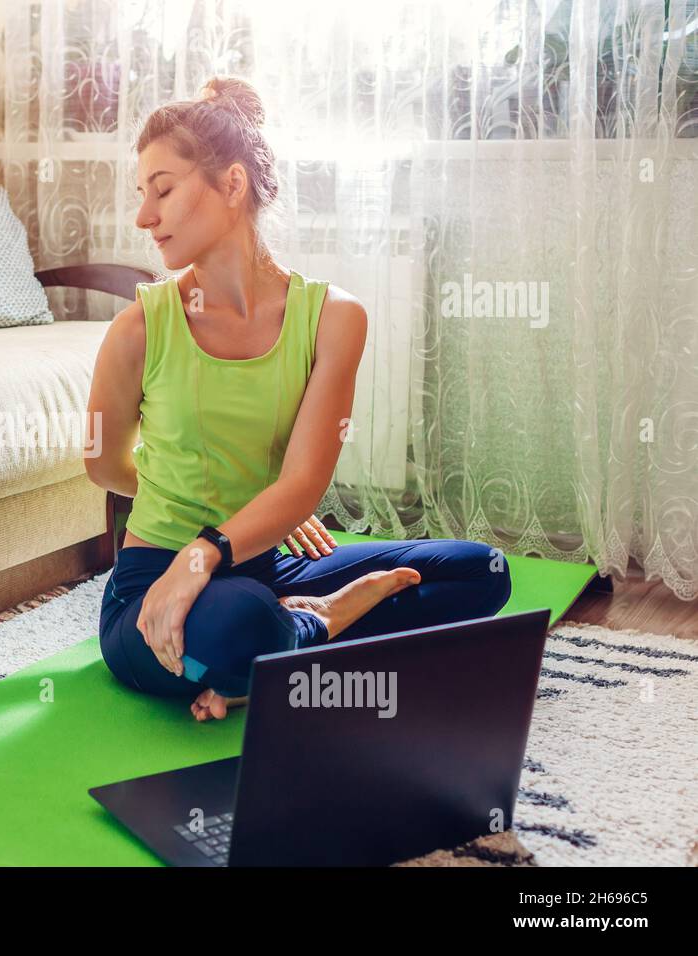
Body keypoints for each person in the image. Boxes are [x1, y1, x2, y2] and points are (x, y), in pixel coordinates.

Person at [85, 76, 512, 722]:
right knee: (236, 623)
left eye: (163, 191)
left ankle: (269, 658)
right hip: (155, 589)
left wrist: (230, 539)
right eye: (141, 196)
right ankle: (312, 631)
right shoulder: (140, 327)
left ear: (232, 186)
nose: (144, 217)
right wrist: (196, 514)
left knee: (482, 571)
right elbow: (102, 463)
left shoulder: (333, 319)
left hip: (261, 567)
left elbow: (304, 483)